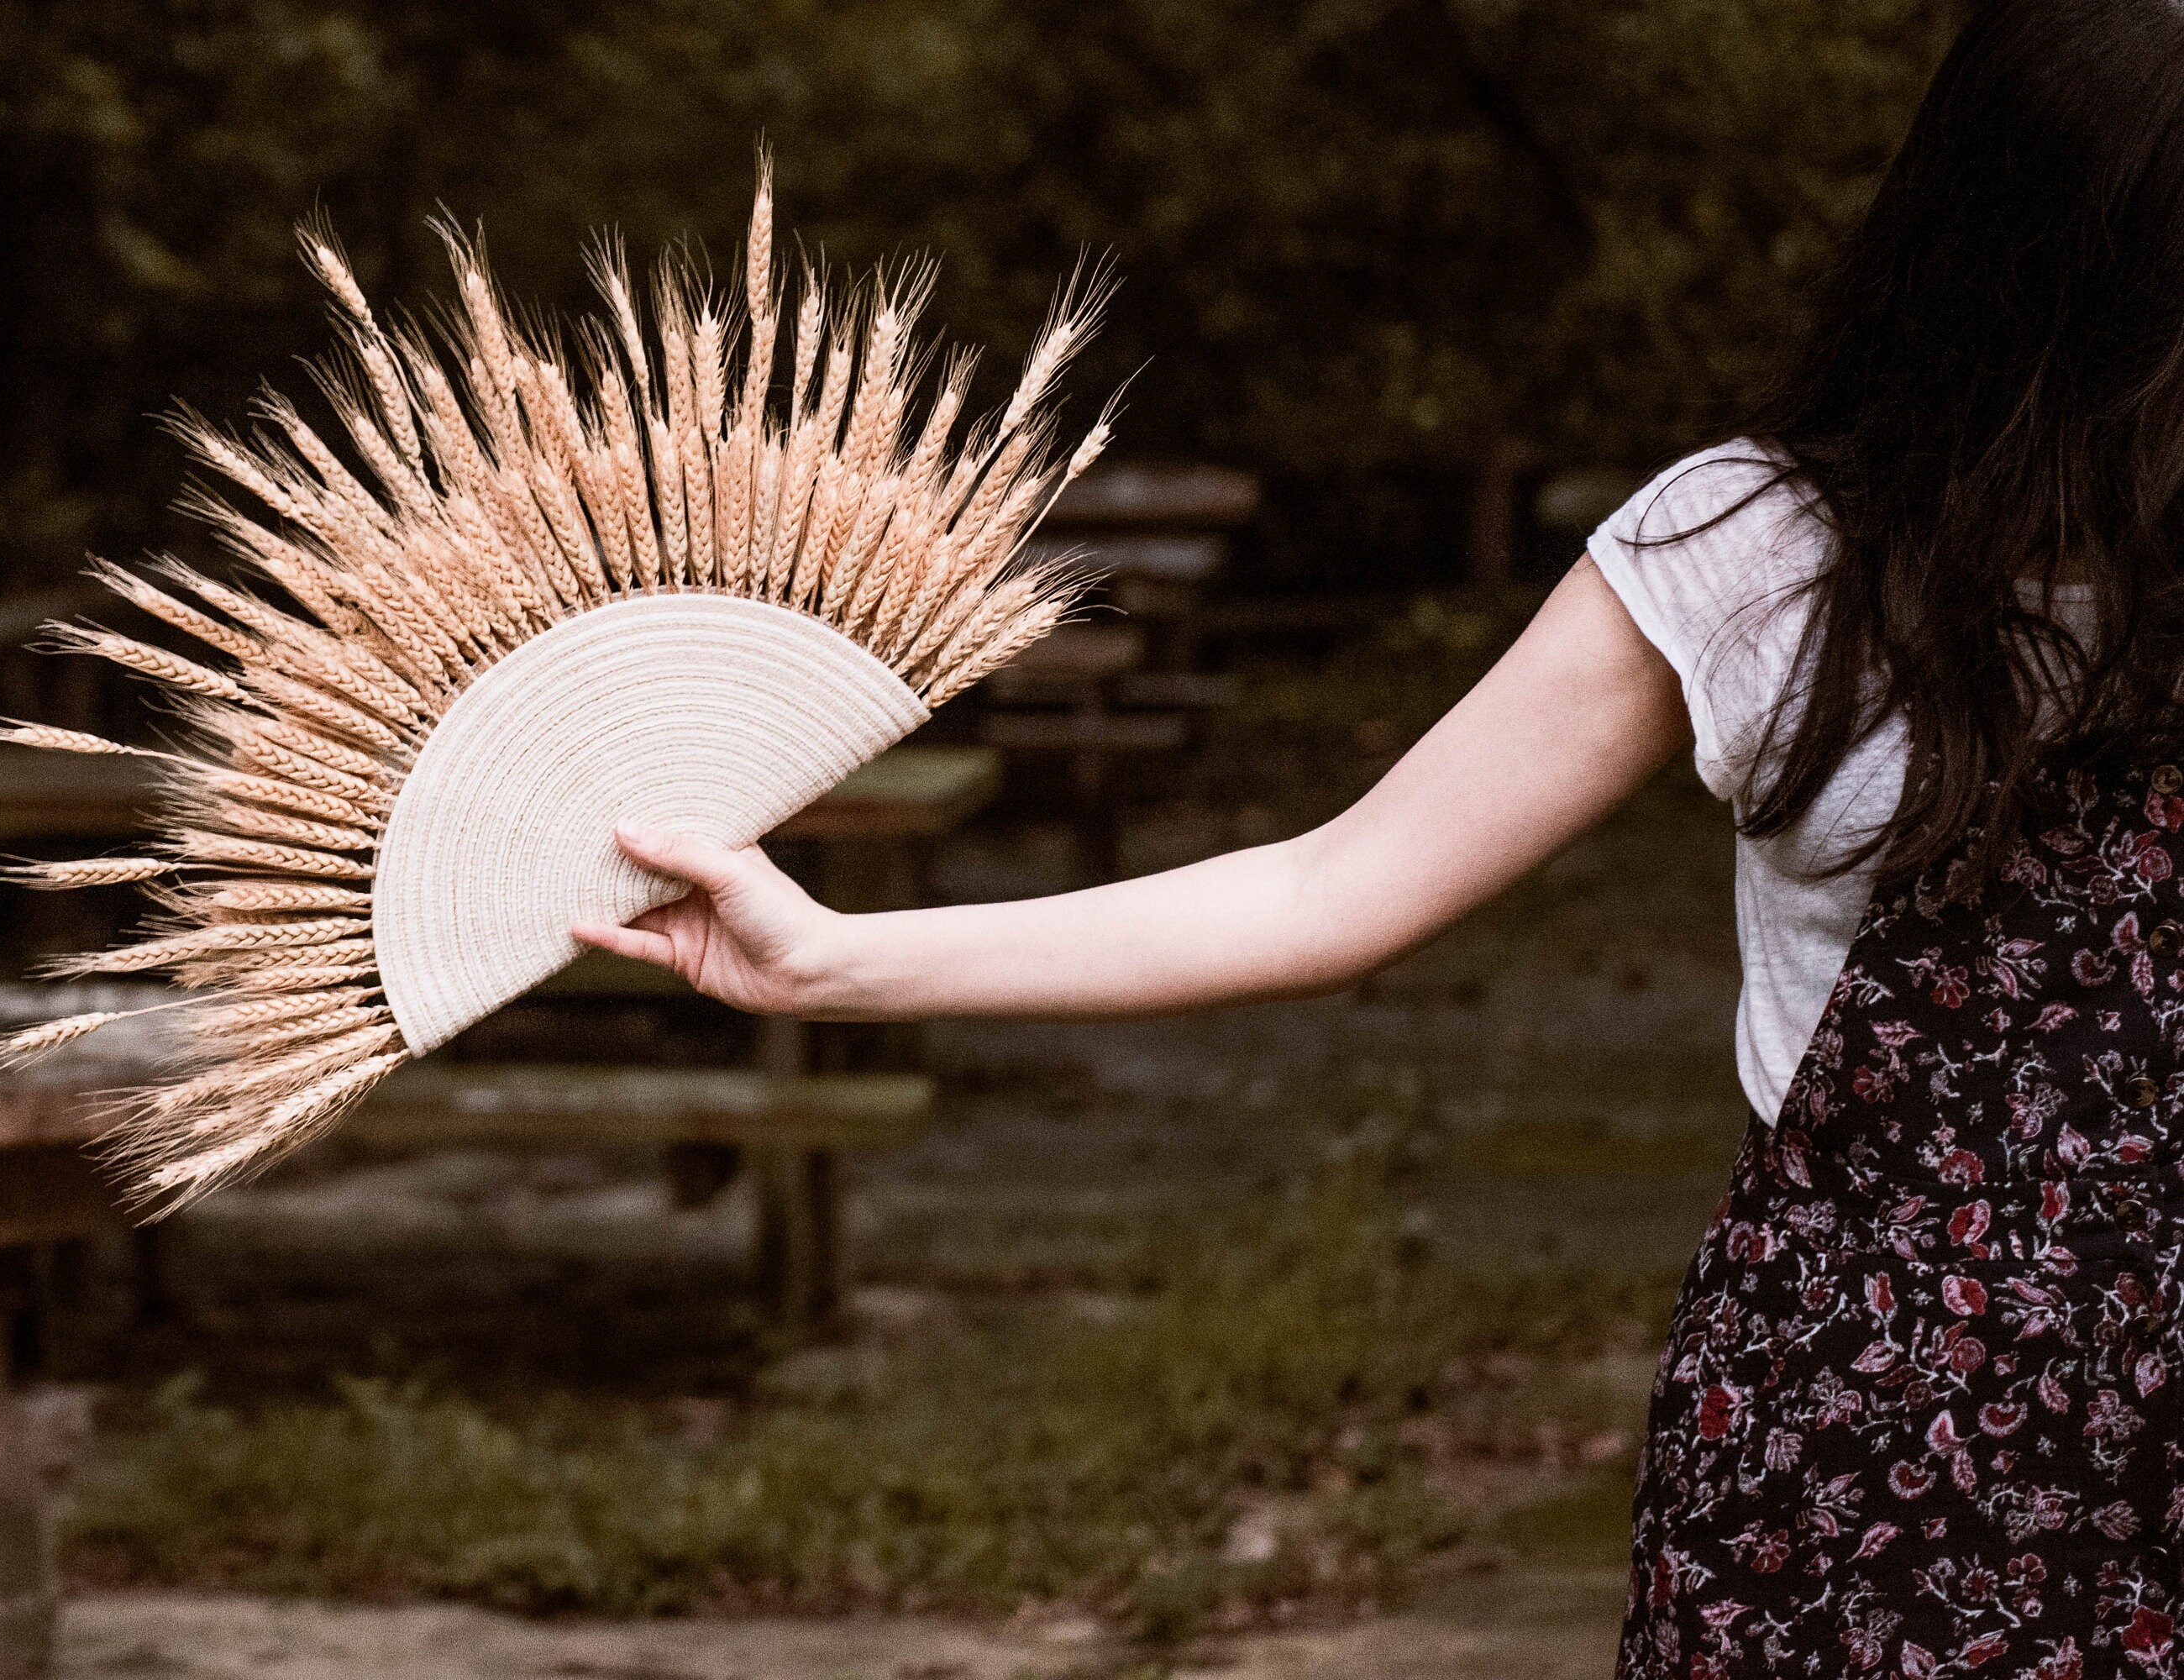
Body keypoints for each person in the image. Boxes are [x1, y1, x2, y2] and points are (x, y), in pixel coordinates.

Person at [577, 2, 2184, 1670]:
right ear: (2069, 282)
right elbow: (1334, 880)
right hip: (1866, 1454)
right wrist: (835, 955)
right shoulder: (1763, 555)